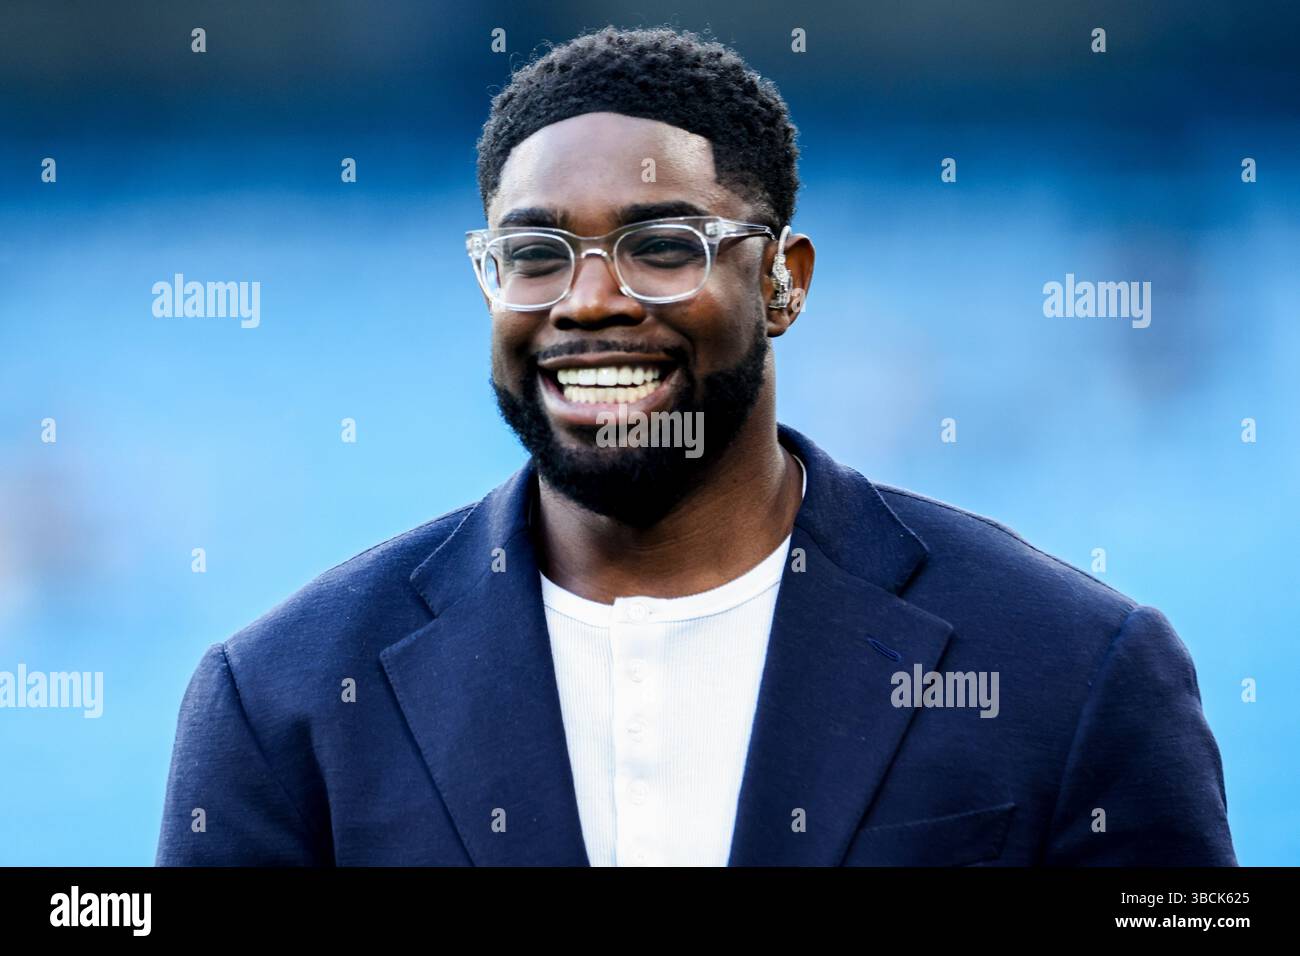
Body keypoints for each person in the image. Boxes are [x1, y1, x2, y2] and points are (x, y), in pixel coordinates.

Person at [156, 25, 1235, 866]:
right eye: (533, 254)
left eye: (660, 246)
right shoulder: (284, 702)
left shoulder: (1070, 665)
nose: (588, 301)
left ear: (784, 280)